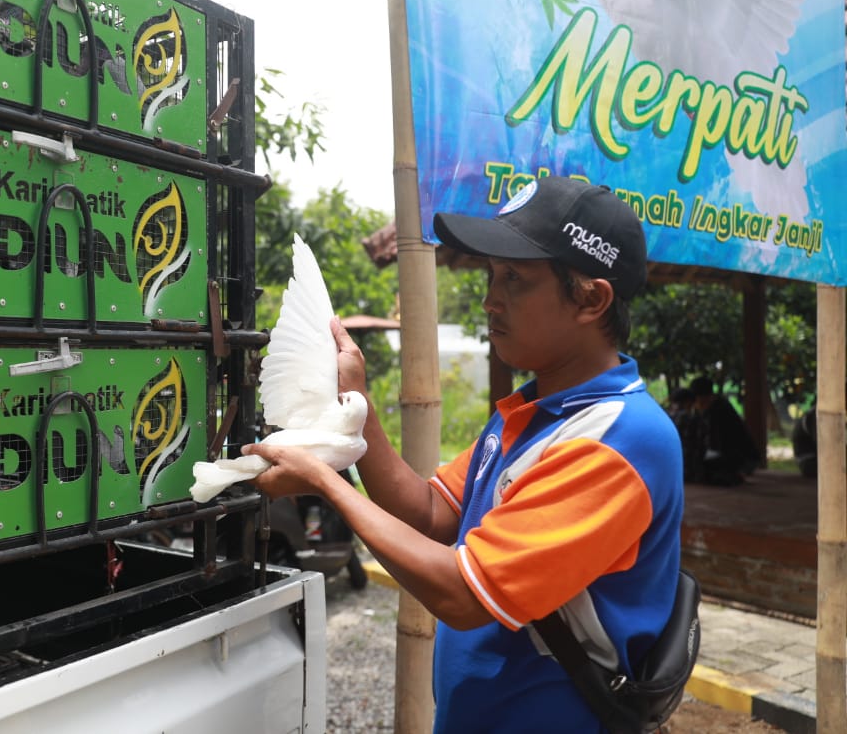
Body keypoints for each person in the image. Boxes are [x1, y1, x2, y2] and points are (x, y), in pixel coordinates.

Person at [244, 176, 684, 732]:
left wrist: (327, 484)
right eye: (491, 275)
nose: (489, 299)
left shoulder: (620, 439)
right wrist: (357, 408)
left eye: (515, 278)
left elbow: (463, 593)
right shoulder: (534, 411)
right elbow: (430, 513)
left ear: (591, 300)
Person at [688, 376, 760, 479]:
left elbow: (716, 444)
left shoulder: (720, 410)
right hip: (727, 454)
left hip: (741, 458)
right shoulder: (709, 409)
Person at [667, 387, 707, 483]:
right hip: (688, 466)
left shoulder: (667, 416)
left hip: (670, 466)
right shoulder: (690, 417)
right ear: (688, 402)